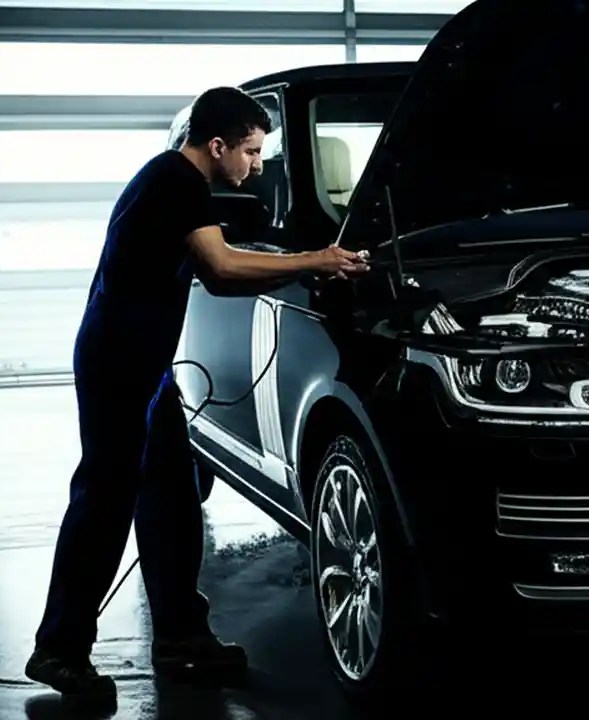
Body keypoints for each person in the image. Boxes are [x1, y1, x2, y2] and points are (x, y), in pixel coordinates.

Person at [24, 86, 369, 699]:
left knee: (172, 494)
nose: (257, 166)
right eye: (252, 152)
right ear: (217, 146)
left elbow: (220, 275)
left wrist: (290, 261)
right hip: (120, 364)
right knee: (106, 499)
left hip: (143, 363)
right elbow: (222, 267)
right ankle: (59, 649)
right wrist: (315, 259)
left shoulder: (172, 180)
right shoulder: (176, 183)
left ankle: (182, 636)